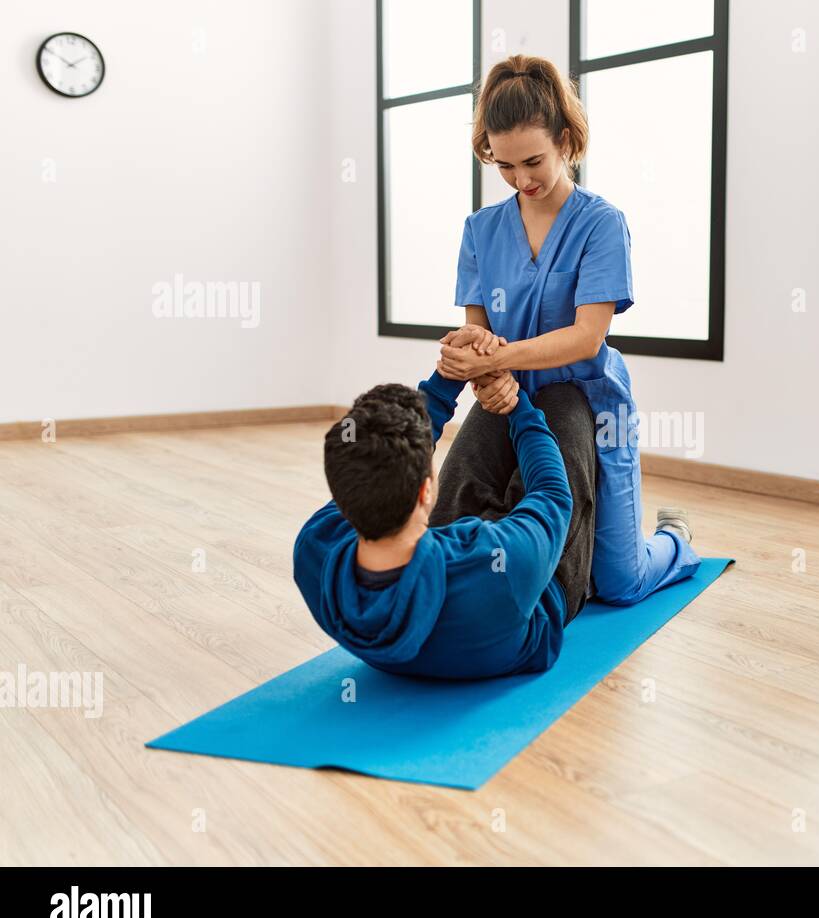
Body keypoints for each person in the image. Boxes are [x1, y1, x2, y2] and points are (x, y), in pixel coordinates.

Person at [435, 53, 700, 607]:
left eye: (532, 160)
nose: (521, 179)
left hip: (589, 401)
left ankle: (674, 537)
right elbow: (478, 331)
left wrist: (493, 362)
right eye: (505, 166)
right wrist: (480, 366)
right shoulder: (480, 229)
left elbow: (586, 339)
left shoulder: (601, 223)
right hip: (509, 396)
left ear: (564, 139)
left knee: (619, 585)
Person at [291, 344, 598, 679]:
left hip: (469, 569)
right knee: (563, 398)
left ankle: (507, 398)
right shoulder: (502, 567)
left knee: (490, 406)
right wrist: (521, 410)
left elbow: (389, 451)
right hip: (530, 589)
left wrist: (454, 372)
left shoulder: (314, 550)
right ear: (425, 492)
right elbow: (552, 494)